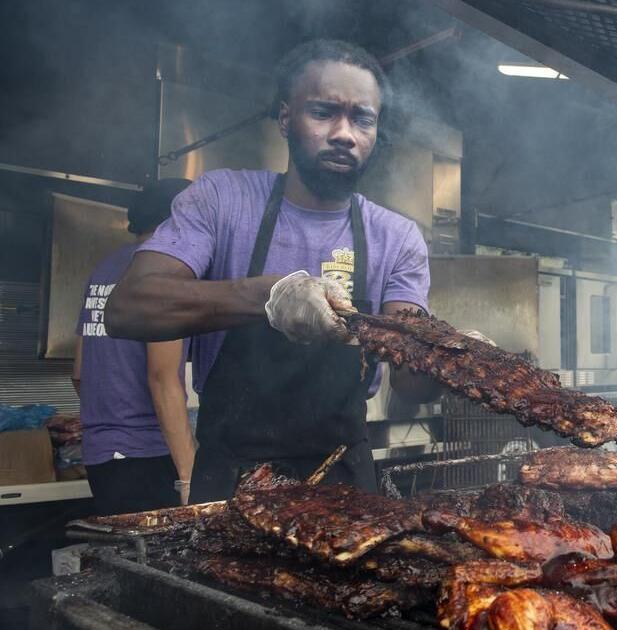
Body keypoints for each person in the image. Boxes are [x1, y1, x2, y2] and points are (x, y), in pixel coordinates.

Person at [106, 40, 440, 503]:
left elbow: (409, 382)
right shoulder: (222, 200)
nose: (344, 134)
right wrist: (267, 297)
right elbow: (127, 308)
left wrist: (449, 359)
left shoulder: (397, 237)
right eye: (324, 112)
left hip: (343, 482)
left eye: (362, 119)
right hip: (231, 481)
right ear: (285, 118)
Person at [72, 178, 194, 515]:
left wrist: (113, 422)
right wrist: (188, 476)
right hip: (149, 454)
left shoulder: (104, 270)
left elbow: (80, 373)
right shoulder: (165, 271)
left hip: (101, 454)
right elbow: (162, 378)